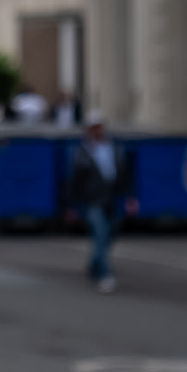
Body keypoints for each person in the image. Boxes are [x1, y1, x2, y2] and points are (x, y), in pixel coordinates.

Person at [65, 112, 134, 293]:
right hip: (93, 200)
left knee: (110, 235)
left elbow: (126, 174)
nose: (97, 131)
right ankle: (105, 275)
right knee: (100, 234)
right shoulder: (82, 152)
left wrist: (130, 196)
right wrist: (72, 205)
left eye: (99, 127)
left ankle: (94, 264)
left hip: (113, 198)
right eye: (93, 128)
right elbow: (76, 180)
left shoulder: (114, 148)